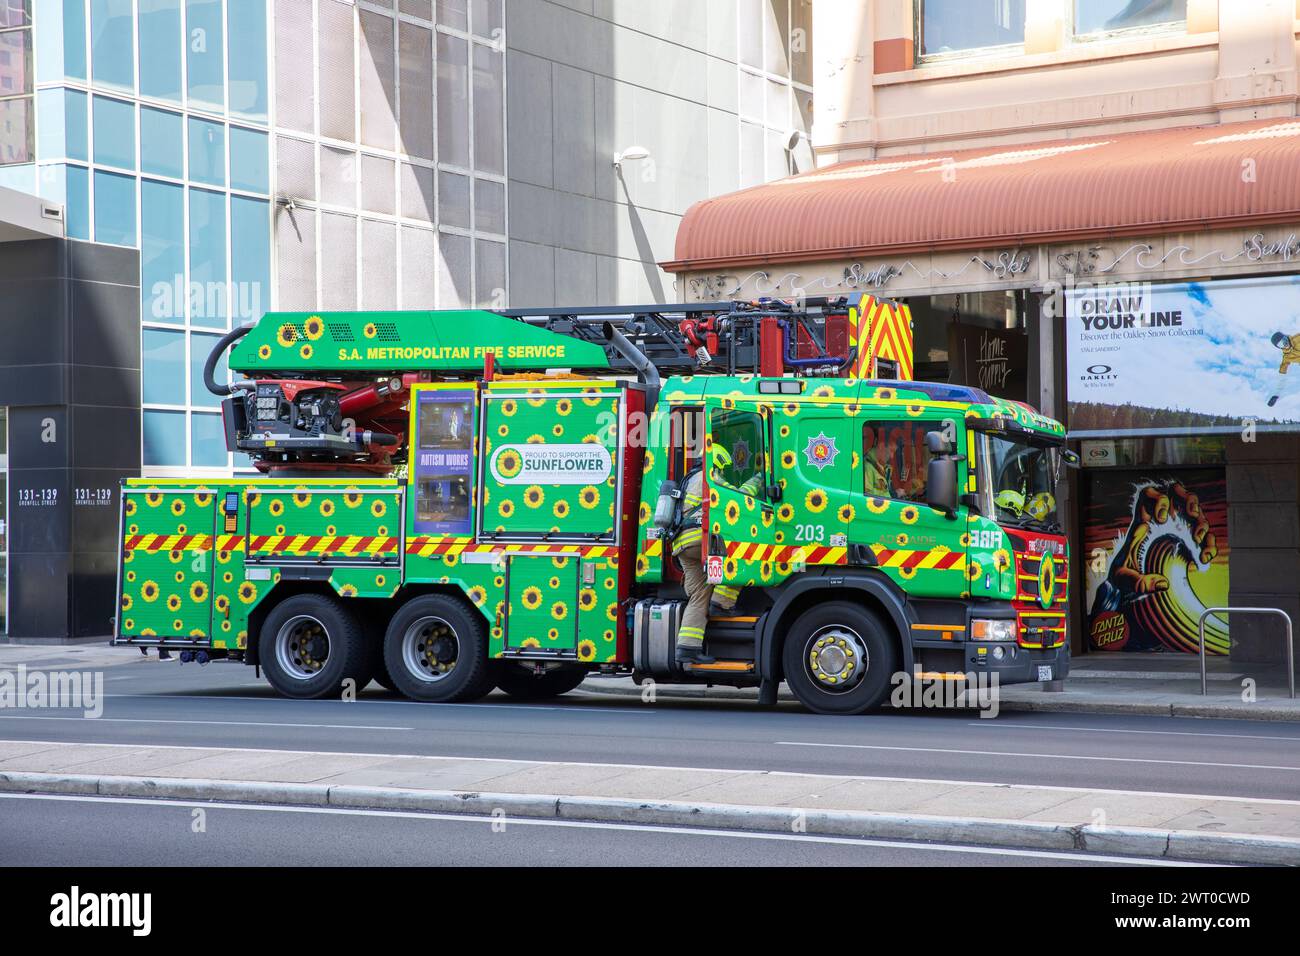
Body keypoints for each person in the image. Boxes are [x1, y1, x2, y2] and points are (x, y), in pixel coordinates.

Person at [672, 443, 763, 664]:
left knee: (698, 595)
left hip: (682, 545)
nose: (722, 471)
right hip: (699, 539)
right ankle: (723, 602)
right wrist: (760, 478)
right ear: (718, 463)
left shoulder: (687, 480)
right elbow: (739, 499)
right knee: (743, 555)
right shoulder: (709, 478)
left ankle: (687, 648)